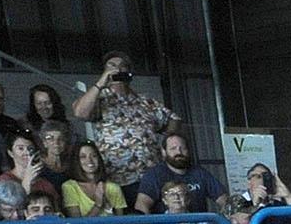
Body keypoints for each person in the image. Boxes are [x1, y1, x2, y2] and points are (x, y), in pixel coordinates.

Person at [69, 51, 180, 199]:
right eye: (112, 65)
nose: (118, 69)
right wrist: (101, 82)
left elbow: (174, 119)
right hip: (118, 180)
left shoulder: (145, 102)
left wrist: (167, 143)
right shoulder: (100, 99)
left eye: (122, 66)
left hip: (151, 178)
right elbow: (80, 112)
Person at [133, 133, 226, 213]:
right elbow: (142, 205)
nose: (179, 152)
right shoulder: (154, 175)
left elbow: (224, 200)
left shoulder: (200, 173)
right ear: (164, 152)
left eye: (183, 148)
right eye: (173, 148)